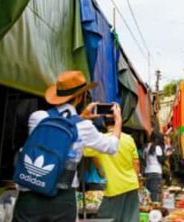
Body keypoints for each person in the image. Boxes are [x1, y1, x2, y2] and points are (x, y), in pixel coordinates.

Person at [13, 71, 121, 221]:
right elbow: (112, 146)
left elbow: (60, 126)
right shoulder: (84, 127)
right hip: (62, 198)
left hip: (30, 194)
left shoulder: (37, 117)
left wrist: (81, 117)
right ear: (80, 97)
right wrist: (118, 120)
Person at [84, 117, 141, 222]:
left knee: (105, 218)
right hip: (131, 185)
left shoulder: (101, 140)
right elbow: (136, 163)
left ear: (103, 123)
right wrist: (136, 182)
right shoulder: (129, 139)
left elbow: (84, 150)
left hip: (114, 188)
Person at [144, 132, 166, 204]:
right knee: (155, 193)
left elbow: (144, 158)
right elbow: (160, 160)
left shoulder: (146, 147)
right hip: (156, 172)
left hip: (147, 172)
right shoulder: (157, 147)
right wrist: (167, 155)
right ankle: (154, 211)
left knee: (148, 193)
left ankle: (148, 209)